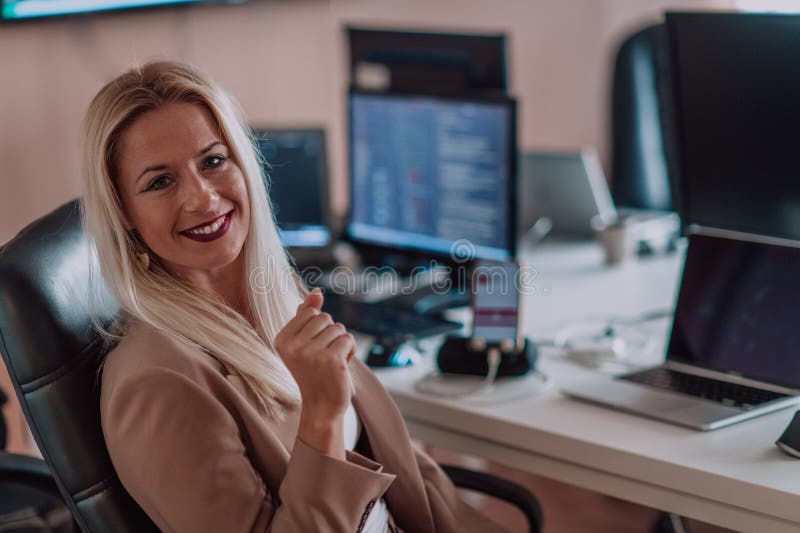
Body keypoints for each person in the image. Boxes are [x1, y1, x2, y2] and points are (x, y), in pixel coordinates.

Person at [81, 60, 508, 532]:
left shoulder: (278, 296)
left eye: (213, 161)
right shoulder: (156, 385)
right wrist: (322, 417)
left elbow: (398, 466)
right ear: (123, 212)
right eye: (160, 182)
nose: (202, 198)